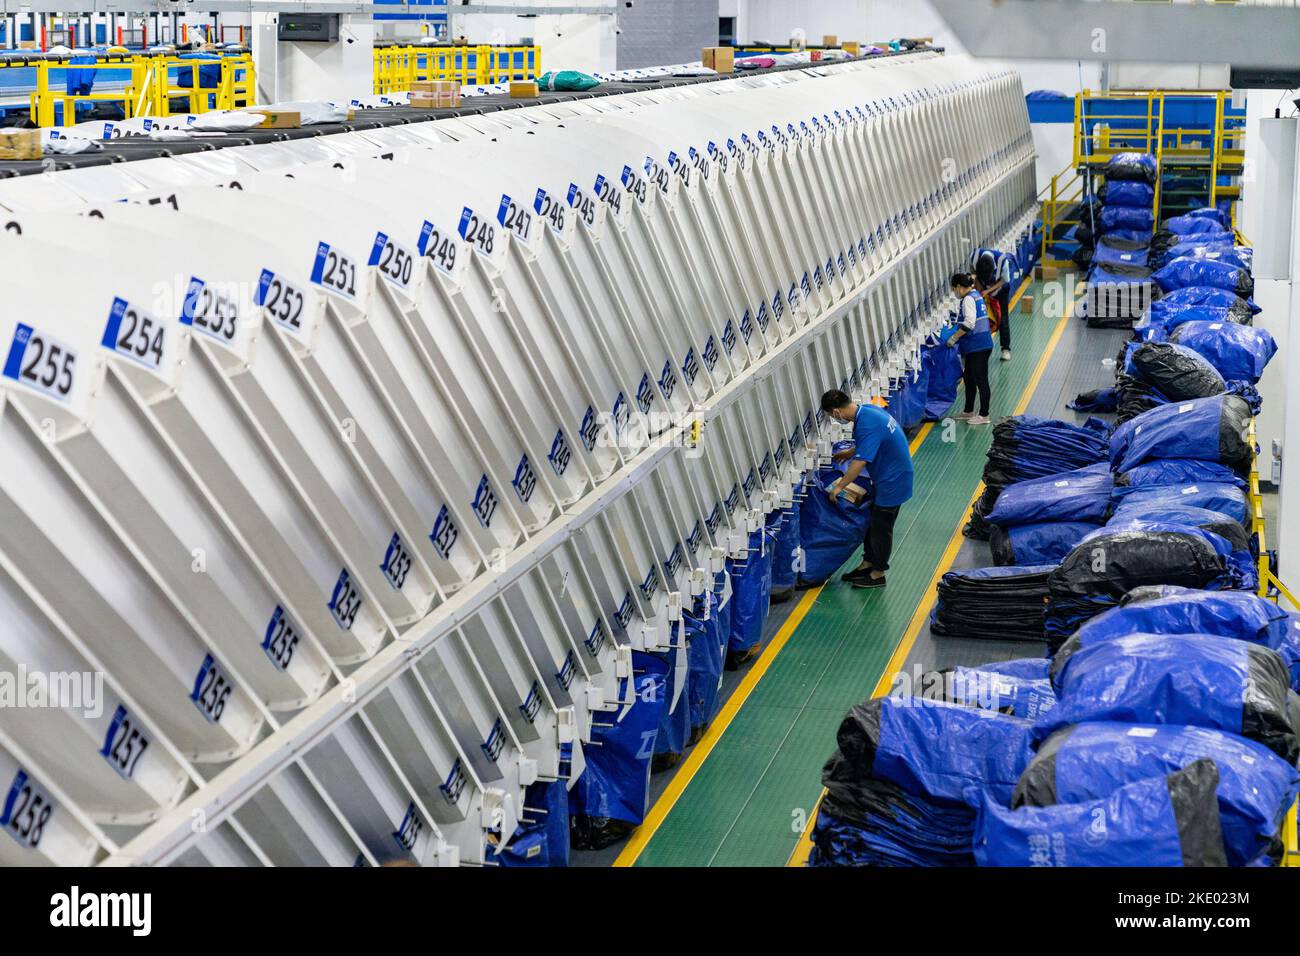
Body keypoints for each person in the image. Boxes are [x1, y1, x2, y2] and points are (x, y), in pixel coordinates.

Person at [820, 389, 915, 589]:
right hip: (891, 475)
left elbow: (860, 462)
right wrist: (849, 451)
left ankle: (878, 574)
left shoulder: (866, 424)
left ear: (836, 412)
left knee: (881, 528)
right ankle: (867, 563)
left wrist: (840, 486)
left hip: (893, 481)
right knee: (872, 522)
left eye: (831, 416)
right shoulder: (868, 410)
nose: (834, 419)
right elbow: (872, 440)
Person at [946, 271, 993, 425]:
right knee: (969, 379)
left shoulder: (968, 299)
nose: (955, 292)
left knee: (981, 380)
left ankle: (984, 415)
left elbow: (969, 323)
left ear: (959, 287)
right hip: (979, 345)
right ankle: (968, 411)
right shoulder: (976, 295)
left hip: (978, 347)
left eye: (954, 289)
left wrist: (954, 338)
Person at [972, 247, 1014, 360]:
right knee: (981, 319)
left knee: (1003, 319)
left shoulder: (1002, 261)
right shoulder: (975, 256)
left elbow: (1004, 280)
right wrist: (979, 289)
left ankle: (1006, 349)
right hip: (983, 290)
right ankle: (980, 348)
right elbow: (973, 274)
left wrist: (988, 291)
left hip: (1000, 291)